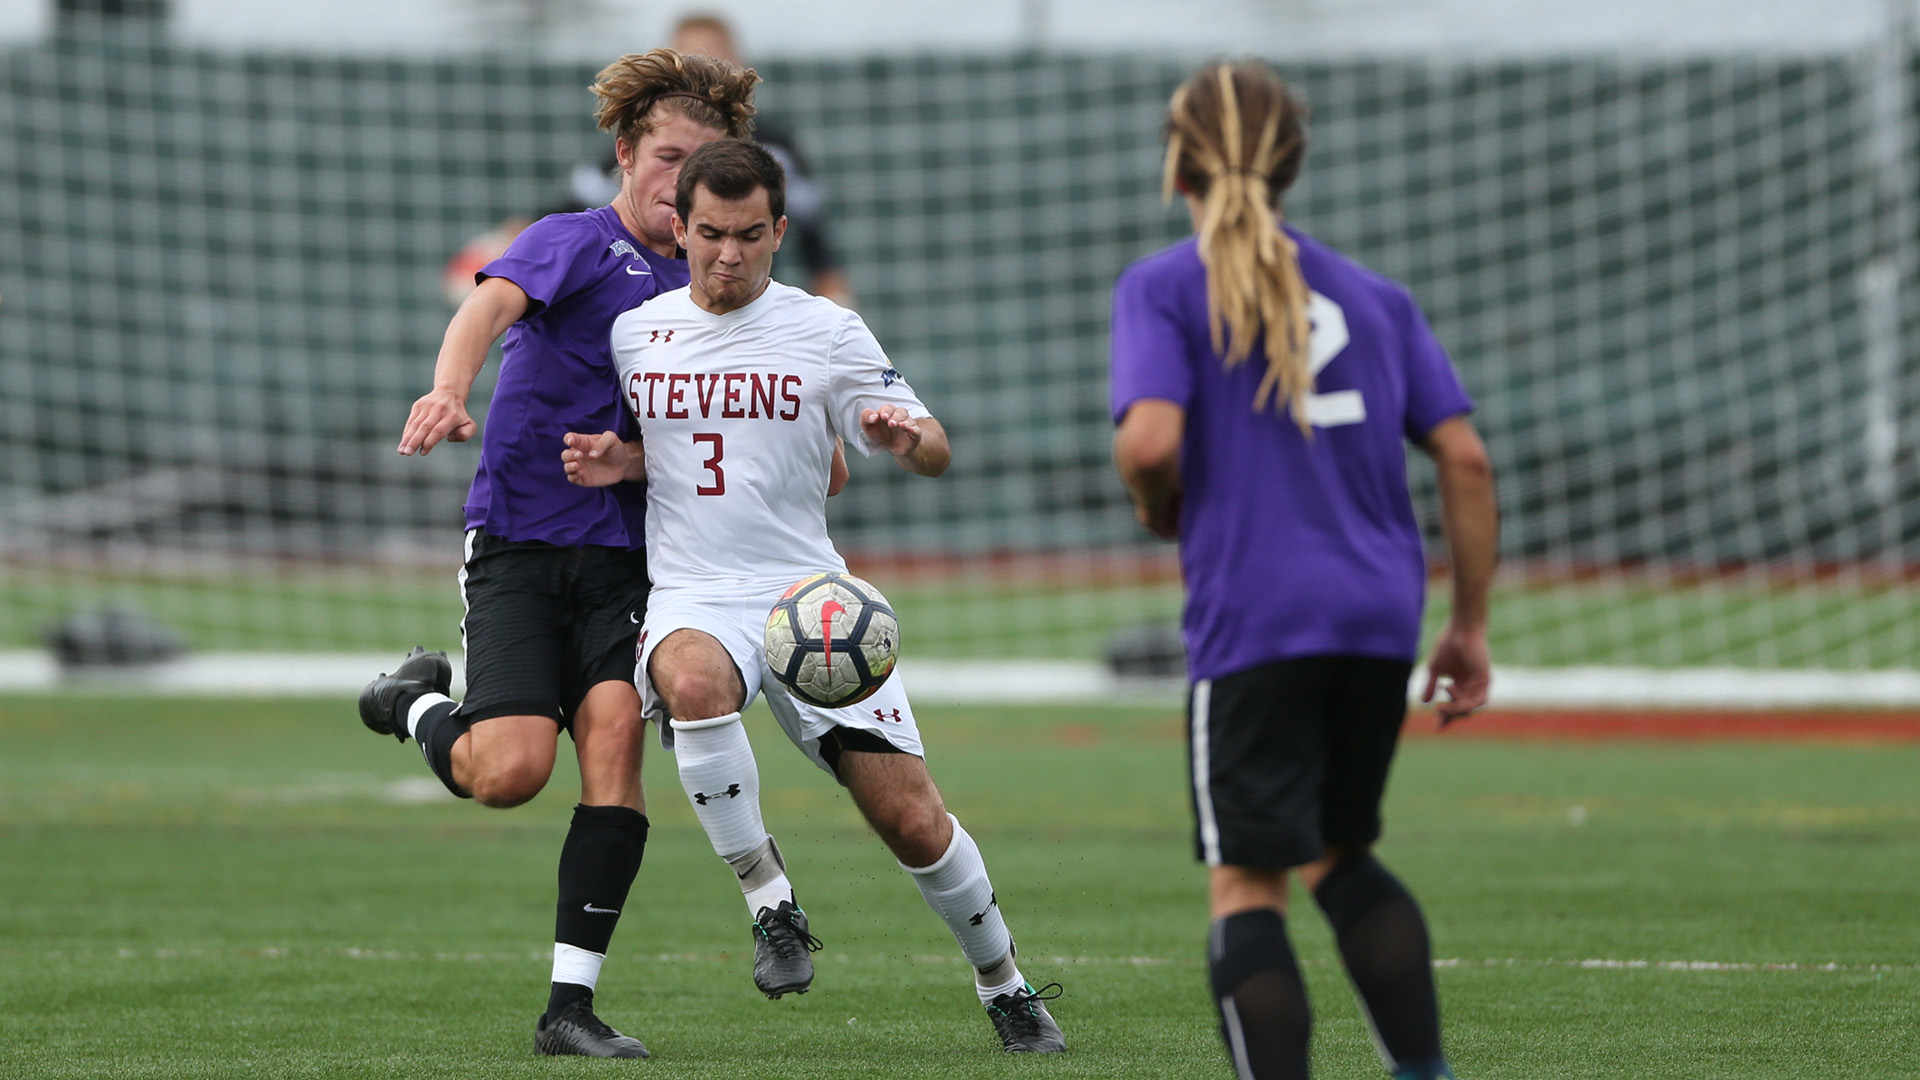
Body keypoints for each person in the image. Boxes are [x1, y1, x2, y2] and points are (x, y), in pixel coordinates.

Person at [560, 138, 1067, 1054]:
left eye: (750, 236)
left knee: (912, 820)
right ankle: (772, 904)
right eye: (710, 234)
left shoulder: (829, 329)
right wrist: (619, 460)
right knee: (690, 680)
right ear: (679, 227)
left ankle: (1007, 985)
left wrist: (908, 438)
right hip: (695, 593)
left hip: (810, 600)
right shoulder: (637, 330)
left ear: (780, 231)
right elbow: (674, 445)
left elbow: (936, 444)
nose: (728, 256)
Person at [354, 48, 764, 1059]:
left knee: (615, 742)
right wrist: (450, 388)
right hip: (521, 550)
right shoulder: (573, 244)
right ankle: (410, 701)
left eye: (704, 164)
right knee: (509, 774)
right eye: (668, 158)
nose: (684, 182)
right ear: (625, 156)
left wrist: (633, 461)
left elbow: (726, 430)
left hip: (629, 560)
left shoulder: (717, 289)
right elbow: (486, 308)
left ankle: (567, 1011)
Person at [1109, 61, 1498, 1080]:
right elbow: (1464, 457)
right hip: (1378, 615)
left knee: (1248, 888)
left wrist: (1158, 508)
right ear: (1293, 165)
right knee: (1339, 854)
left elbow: (1150, 445)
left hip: (1259, 616)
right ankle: (1426, 1072)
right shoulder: (1374, 296)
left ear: (1177, 165)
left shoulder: (1164, 285)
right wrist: (1469, 626)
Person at [447, 12, 856, 311]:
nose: (703, 75)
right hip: (658, 304)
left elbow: (814, 235)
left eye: (714, 60)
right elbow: (562, 210)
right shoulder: (641, 148)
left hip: (749, 305)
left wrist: (836, 309)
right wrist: (494, 249)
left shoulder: (774, 148)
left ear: (738, 64)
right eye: (691, 61)